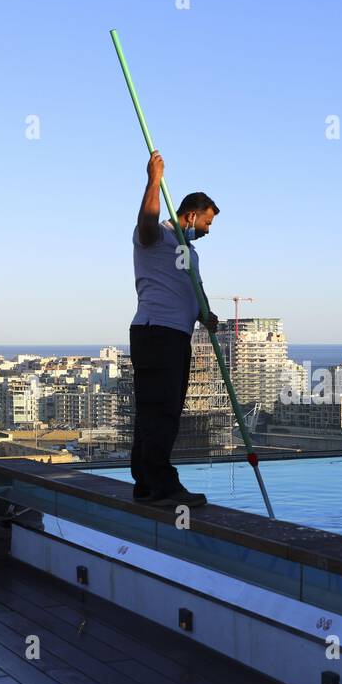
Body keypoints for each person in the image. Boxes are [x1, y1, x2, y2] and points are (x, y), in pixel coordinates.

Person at [129, 149, 218, 508]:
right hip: (156, 333)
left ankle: (146, 484)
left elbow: (188, 288)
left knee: (159, 410)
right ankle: (163, 485)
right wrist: (153, 180)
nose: (208, 231)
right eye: (207, 223)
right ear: (192, 215)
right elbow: (147, 224)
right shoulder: (158, 237)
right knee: (161, 409)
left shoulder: (188, 252)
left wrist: (204, 314)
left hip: (175, 335)